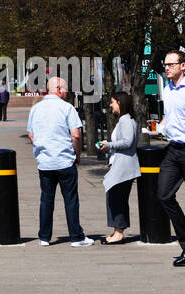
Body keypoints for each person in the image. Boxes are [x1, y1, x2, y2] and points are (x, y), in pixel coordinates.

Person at [26, 76, 93, 247]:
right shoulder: (67, 108)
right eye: (64, 90)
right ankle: (76, 237)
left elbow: (31, 134)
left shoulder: (36, 108)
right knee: (70, 199)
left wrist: (42, 148)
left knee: (46, 199)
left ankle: (44, 236)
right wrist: (77, 155)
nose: (66, 93)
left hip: (45, 162)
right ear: (59, 89)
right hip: (64, 160)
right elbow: (76, 135)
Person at [98, 91, 140, 244]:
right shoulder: (124, 120)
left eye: (112, 102)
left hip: (124, 167)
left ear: (120, 103)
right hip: (121, 165)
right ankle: (117, 230)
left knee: (116, 198)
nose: (110, 105)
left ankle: (118, 233)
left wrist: (108, 145)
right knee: (115, 197)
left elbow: (127, 142)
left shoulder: (125, 120)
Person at [157, 49, 185, 266]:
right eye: (165, 65)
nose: (167, 68)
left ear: (182, 66)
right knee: (164, 195)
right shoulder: (167, 89)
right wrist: (161, 127)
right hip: (174, 150)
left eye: (171, 64)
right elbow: (169, 116)